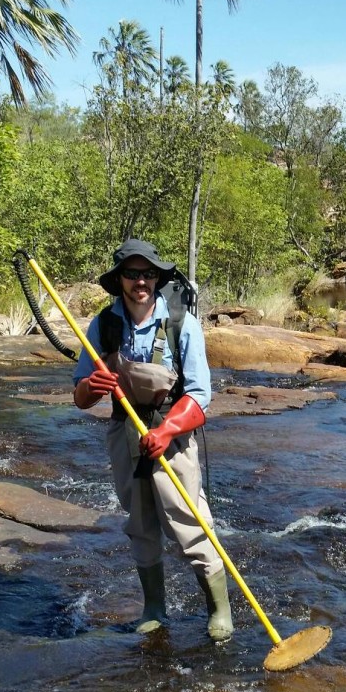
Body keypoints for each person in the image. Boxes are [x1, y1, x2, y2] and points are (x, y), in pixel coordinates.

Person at [73, 238, 233, 641]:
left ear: (158, 278)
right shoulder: (103, 325)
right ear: (120, 280)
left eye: (147, 274)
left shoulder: (182, 324)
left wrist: (165, 431)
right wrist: (93, 385)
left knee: (189, 523)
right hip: (124, 435)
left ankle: (219, 610)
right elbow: (79, 396)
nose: (140, 281)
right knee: (140, 525)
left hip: (173, 435)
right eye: (132, 274)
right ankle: (154, 608)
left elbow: (199, 398)